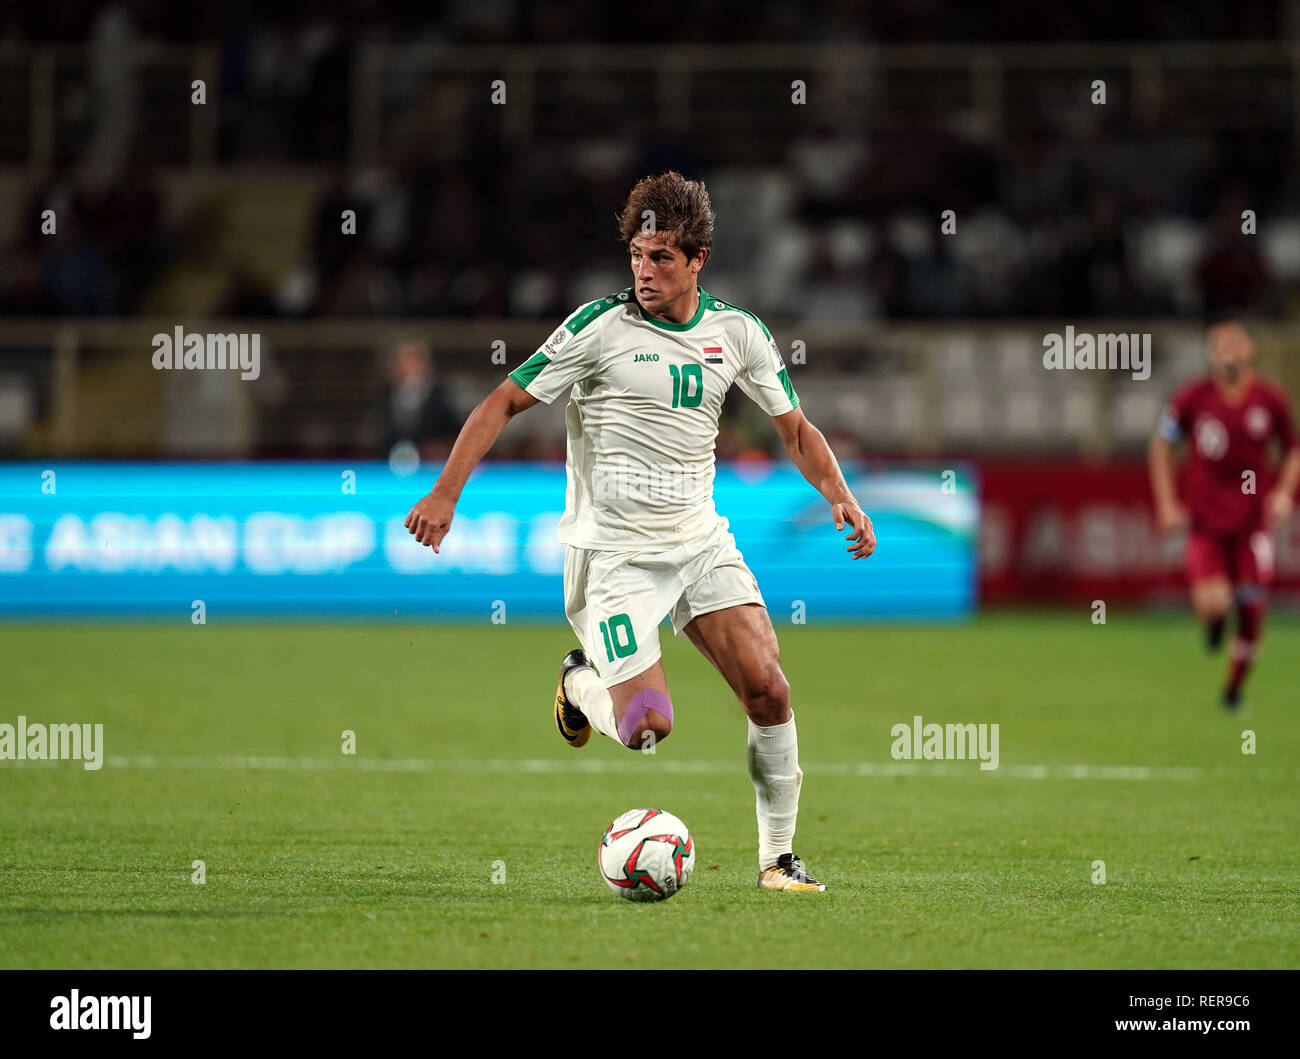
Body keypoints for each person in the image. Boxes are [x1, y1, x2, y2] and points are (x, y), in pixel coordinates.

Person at [405, 172, 875, 891]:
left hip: (699, 541)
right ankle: (576, 682)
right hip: (616, 556)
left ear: (698, 260)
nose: (644, 272)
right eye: (636, 255)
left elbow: (796, 429)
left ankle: (778, 860)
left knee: (769, 691)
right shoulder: (598, 328)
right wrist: (445, 492)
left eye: (661, 257)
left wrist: (840, 494)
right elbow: (502, 401)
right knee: (648, 727)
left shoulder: (738, 333)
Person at [1149, 315, 1299, 710]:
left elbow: (1293, 450)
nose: (1227, 353)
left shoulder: (1271, 399)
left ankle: (1233, 691)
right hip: (1206, 521)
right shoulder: (1191, 397)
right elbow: (1162, 447)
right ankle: (1215, 624)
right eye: (1220, 345)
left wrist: (1284, 494)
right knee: (1213, 605)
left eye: (1235, 344)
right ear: (1210, 352)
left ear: (1250, 350)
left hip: (1252, 522)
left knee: (1251, 606)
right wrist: (1166, 503)